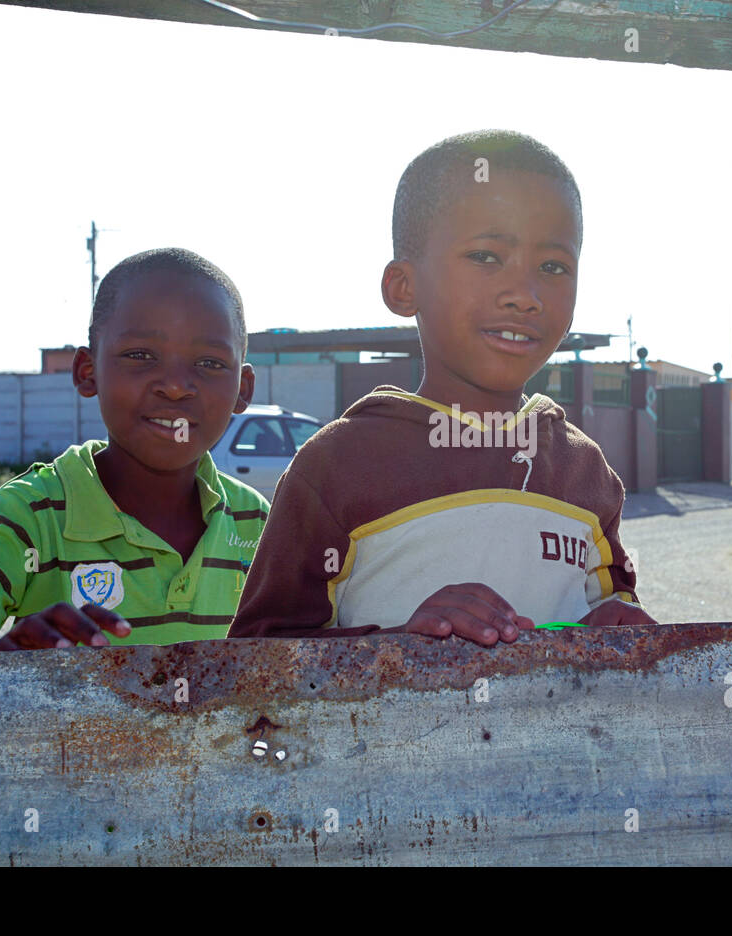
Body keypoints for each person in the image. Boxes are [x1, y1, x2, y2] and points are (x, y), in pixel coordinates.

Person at [229, 130, 655, 646]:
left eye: (552, 267)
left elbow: (612, 603)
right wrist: (401, 646)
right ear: (404, 287)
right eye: (485, 256)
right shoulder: (337, 467)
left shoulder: (585, 472)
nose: (524, 294)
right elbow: (257, 655)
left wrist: (619, 625)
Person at [0, 248, 267, 662]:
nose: (175, 386)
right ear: (87, 371)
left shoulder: (258, 526)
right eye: (140, 355)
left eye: (209, 362)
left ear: (243, 389)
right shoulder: (35, 515)